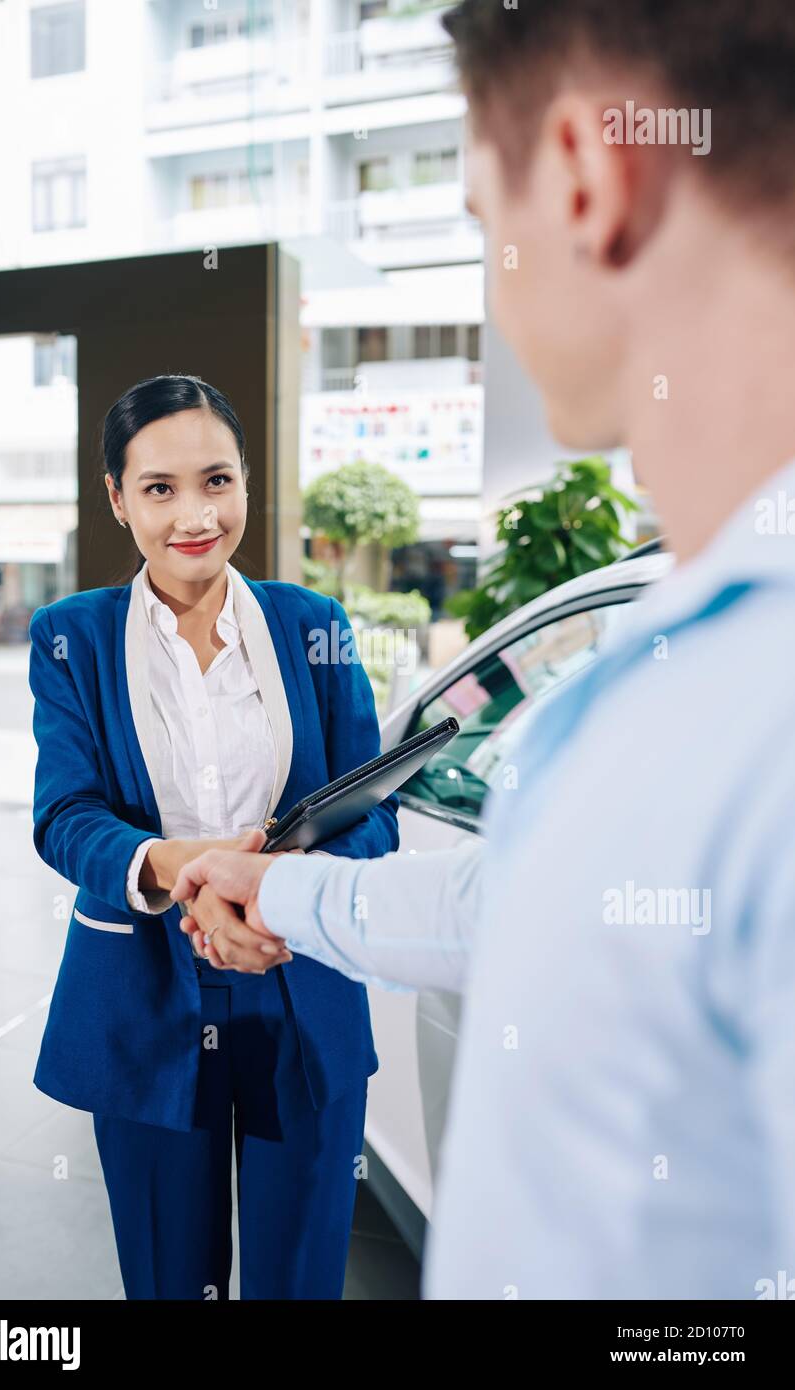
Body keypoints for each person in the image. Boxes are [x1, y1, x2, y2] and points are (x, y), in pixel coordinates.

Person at [172, 0, 795, 1299]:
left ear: (584, 176)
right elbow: (522, 899)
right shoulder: (684, 644)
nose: (492, 287)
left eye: (476, 224)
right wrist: (271, 888)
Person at [27, 373, 399, 1299]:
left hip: (297, 978)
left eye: (217, 481)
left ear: (245, 484)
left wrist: (279, 895)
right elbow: (64, 817)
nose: (194, 514)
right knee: (167, 1276)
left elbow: (373, 812)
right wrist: (186, 865)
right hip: (144, 994)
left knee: (301, 1274)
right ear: (117, 499)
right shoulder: (70, 635)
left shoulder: (314, 627)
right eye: (159, 489)